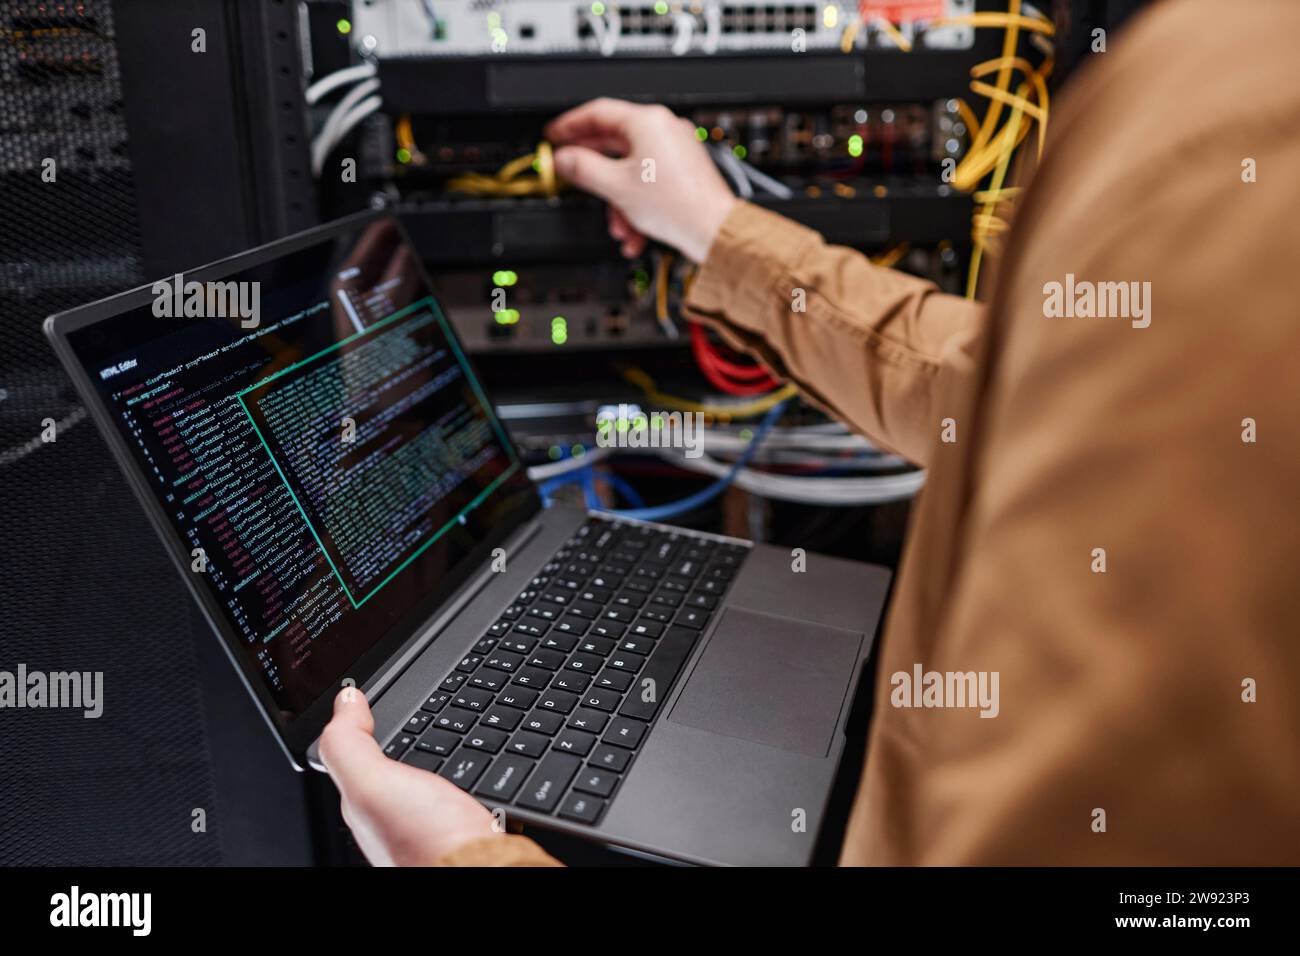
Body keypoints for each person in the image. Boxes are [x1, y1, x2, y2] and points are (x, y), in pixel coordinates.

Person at [318, 0, 1300, 866]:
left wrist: (465, 859)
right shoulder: (1235, 82)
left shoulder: (1233, 123)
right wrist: (716, 229)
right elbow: (1004, 384)